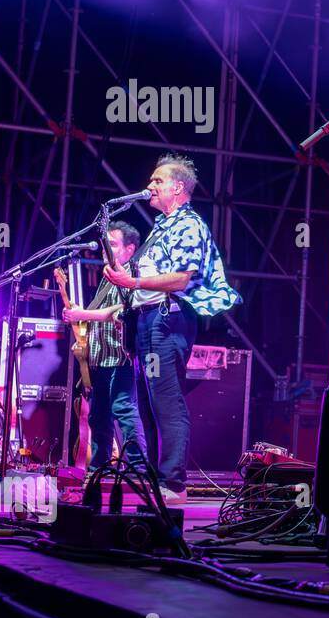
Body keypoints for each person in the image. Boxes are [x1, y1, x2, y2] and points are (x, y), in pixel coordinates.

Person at [100, 155, 241, 504]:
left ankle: (174, 483)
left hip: (168, 320)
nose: (150, 186)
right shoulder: (162, 227)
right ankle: (153, 478)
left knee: (165, 401)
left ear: (177, 188)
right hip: (147, 322)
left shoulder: (188, 225)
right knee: (147, 404)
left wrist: (132, 280)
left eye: (157, 181)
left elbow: (180, 279)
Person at [62, 220, 145, 469]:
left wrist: (84, 315)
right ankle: (99, 470)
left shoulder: (130, 274)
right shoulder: (108, 276)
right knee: (99, 418)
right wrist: (80, 312)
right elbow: (102, 313)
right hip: (102, 360)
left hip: (122, 358)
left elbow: (122, 310)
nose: (106, 250)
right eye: (105, 245)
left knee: (124, 411)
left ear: (129, 250)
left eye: (113, 245)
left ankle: (139, 470)